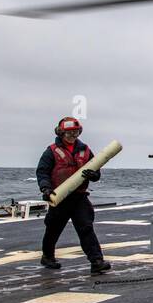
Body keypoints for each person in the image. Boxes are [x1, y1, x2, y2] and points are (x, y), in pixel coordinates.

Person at [36, 117, 110, 275]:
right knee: (53, 229)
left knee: (86, 228)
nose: (72, 136)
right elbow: (42, 172)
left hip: (79, 197)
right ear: (61, 133)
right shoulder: (52, 151)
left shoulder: (85, 150)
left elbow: (96, 173)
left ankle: (97, 261)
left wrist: (93, 174)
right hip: (60, 196)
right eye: (68, 133)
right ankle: (48, 256)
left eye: (75, 132)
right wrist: (46, 189)